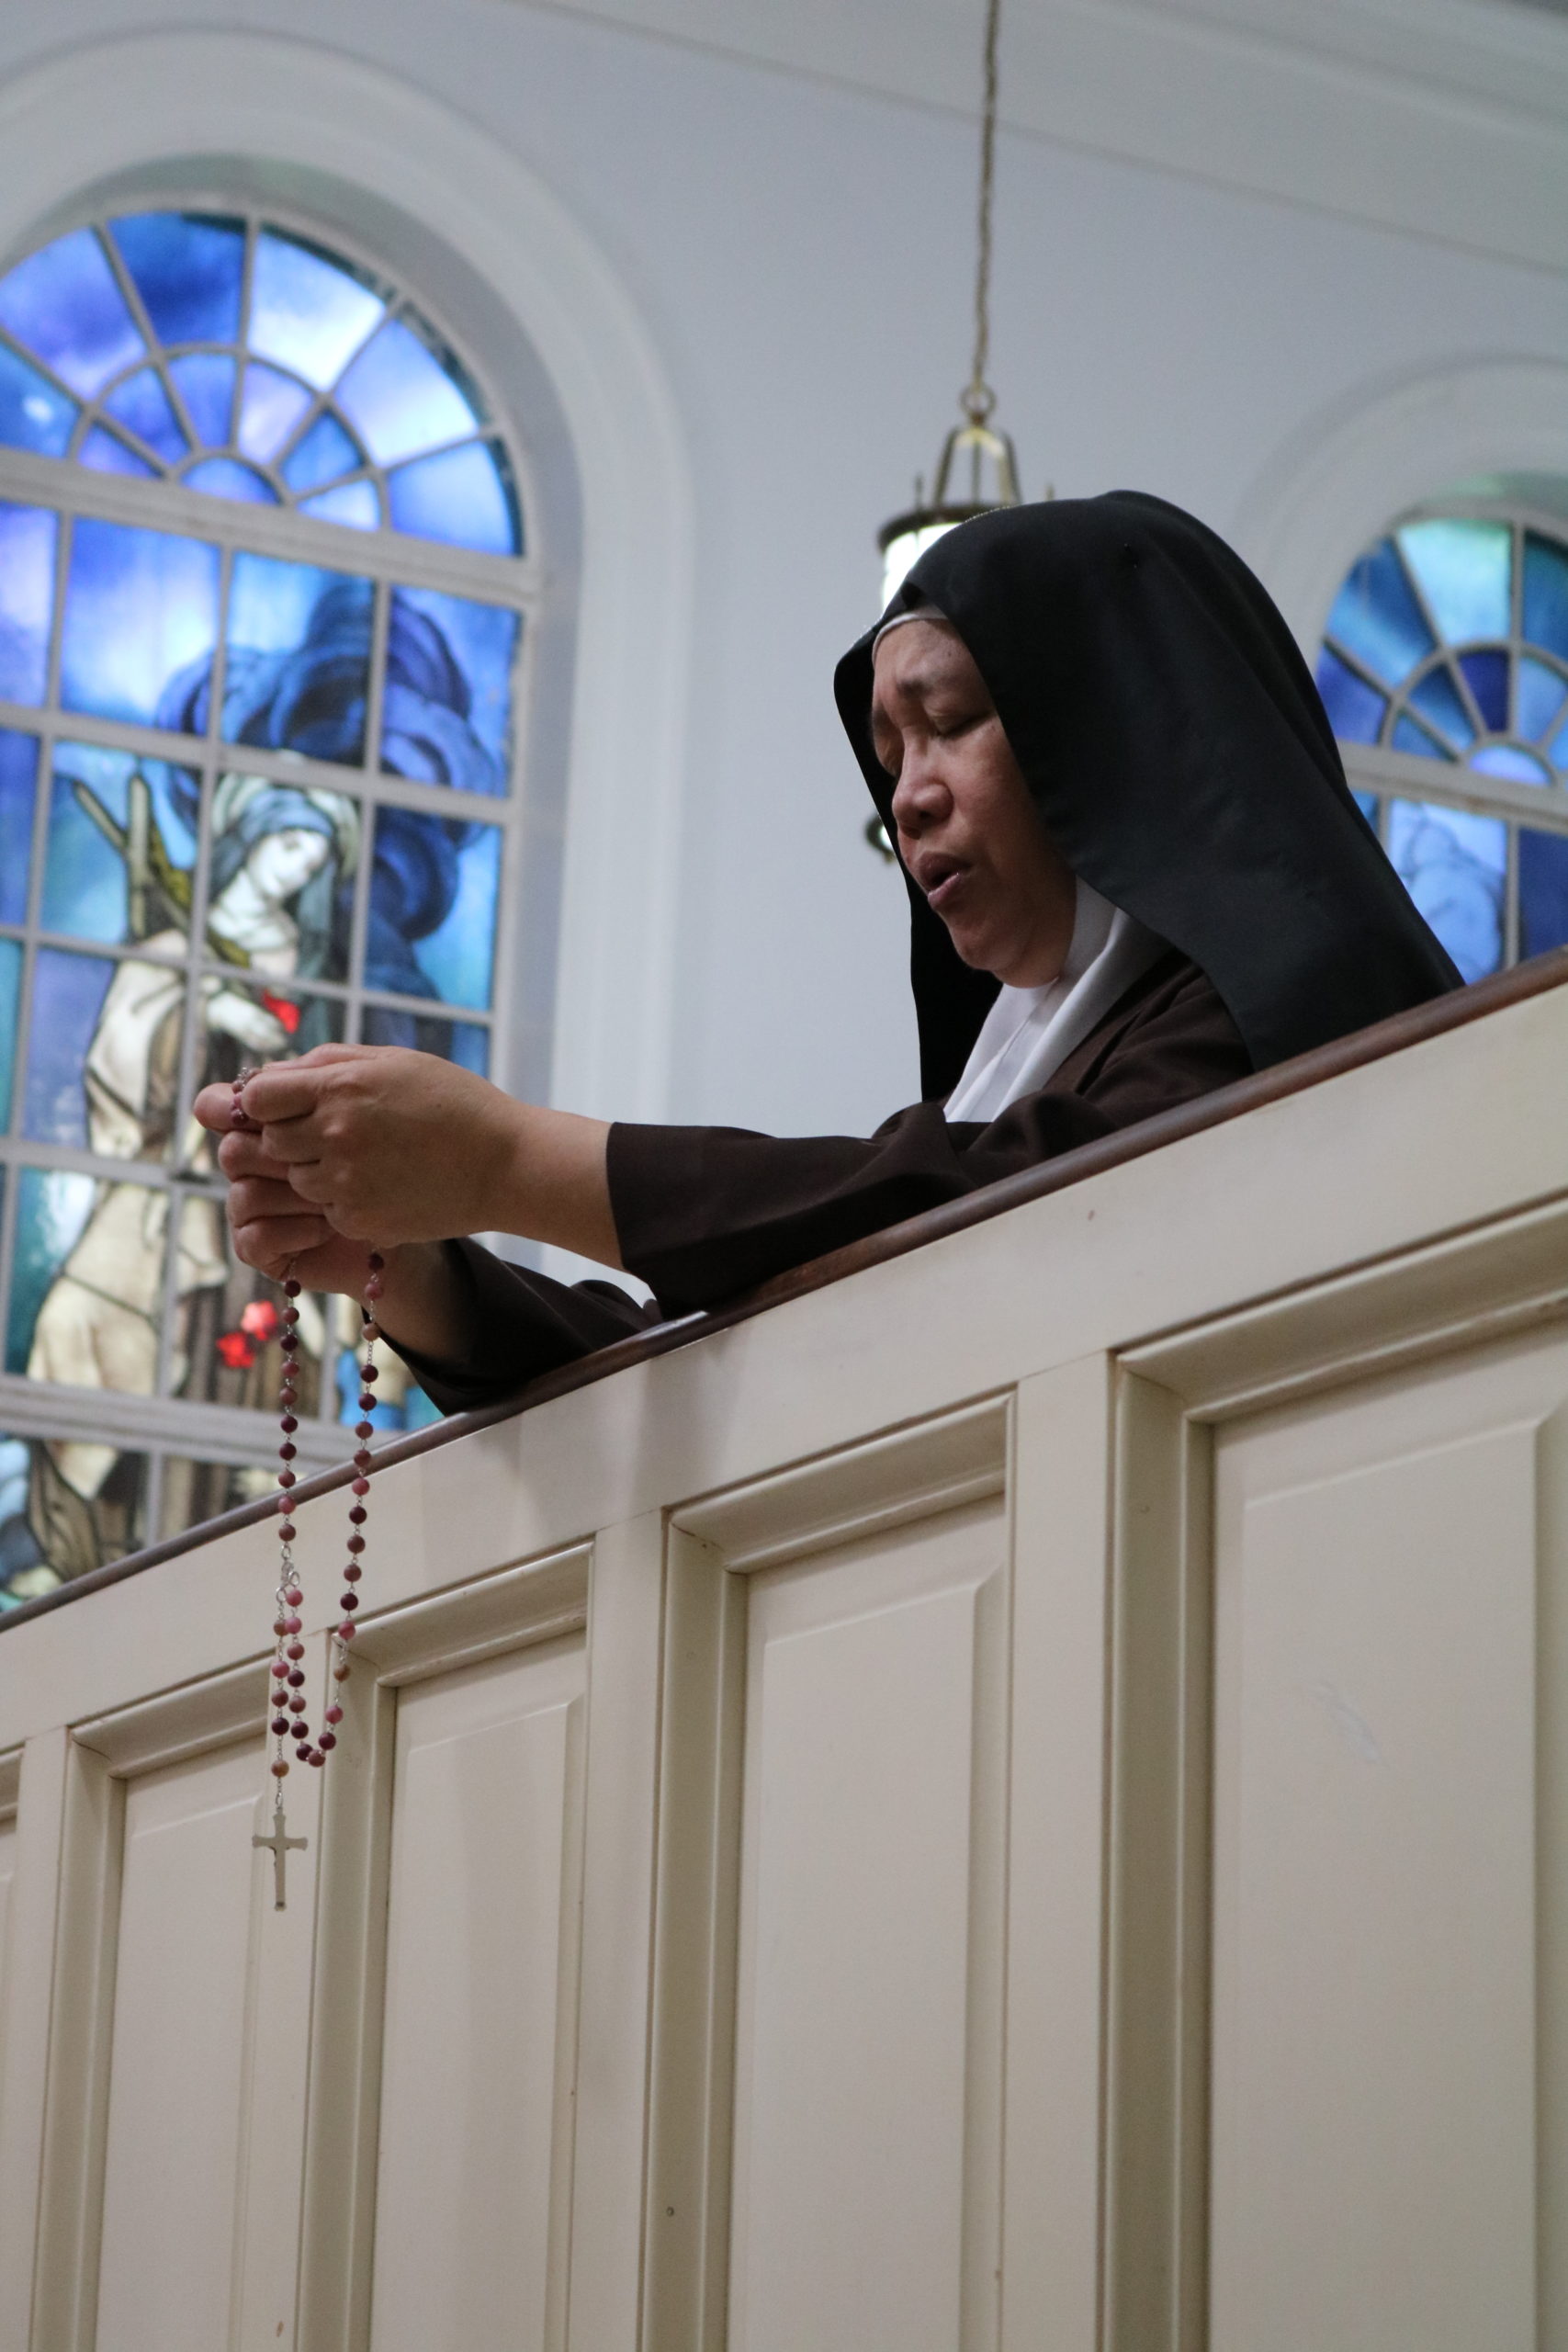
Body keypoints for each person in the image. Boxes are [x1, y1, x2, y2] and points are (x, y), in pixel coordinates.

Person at [197, 493, 1461, 1415]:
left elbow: (994, 1208)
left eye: (950, 722)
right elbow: (745, 1346)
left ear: (1121, 728)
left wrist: (512, 1161)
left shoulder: (1291, 1016)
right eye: (890, 756)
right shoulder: (1038, 1061)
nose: (907, 798)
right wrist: (413, 1272)